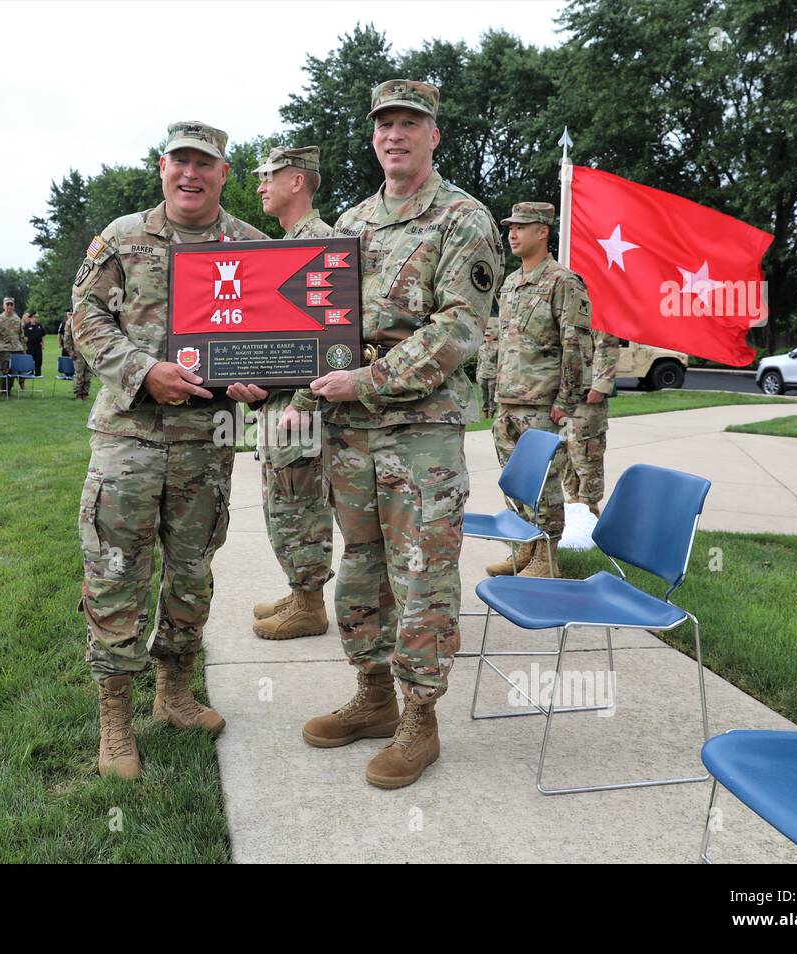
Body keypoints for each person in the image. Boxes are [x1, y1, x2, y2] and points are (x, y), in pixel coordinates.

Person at [300, 80, 502, 789]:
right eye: (384, 123)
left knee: (422, 578)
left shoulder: (463, 220)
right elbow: (314, 319)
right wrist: (274, 373)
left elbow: (457, 331)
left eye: (409, 123)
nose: (395, 134)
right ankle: (375, 698)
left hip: (420, 434)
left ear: (433, 135)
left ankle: (421, 718)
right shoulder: (350, 223)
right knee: (360, 568)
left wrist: (367, 380)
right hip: (351, 435)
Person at [72, 119, 266, 780]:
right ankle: (116, 721)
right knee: (117, 572)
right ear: (162, 167)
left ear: (223, 173)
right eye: (180, 162)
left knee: (191, 573)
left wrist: (259, 379)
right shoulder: (123, 238)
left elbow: (273, 340)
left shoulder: (252, 248)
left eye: (204, 164)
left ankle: (175, 694)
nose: (191, 174)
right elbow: (84, 318)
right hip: (128, 436)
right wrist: (141, 369)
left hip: (206, 443)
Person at [249, 145, 334, 640]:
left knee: (299, 505)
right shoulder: (283, 245)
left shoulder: (321, 244)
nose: (260, 185)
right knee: (280, 502)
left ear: (297, 182)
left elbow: (336, 338)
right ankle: (302, 591)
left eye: (269, 175)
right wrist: (254, 388)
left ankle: (310, 604)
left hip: (305, 411)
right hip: (280, 403)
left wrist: (303, 404)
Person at [486, 201, 590, 579]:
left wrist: (567, 400)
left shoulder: (563, 282)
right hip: (509, 401)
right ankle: (525, 547)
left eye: (521, 227)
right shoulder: (512, 282)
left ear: (543, 231)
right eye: (510, 227)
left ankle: (548, 556)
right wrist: (490, 388)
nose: (512, 234)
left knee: (544, 483)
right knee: (513, 482)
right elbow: (500, 340)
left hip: (544, 405)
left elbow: (576, 344)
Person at [562, 326, 619, 515]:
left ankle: (589, 509)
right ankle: (572, 503)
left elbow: (607, 346)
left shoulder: (594, 307)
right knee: (564, 454)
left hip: (587, 398)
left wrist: (601, 386)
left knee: (587, 454)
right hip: (562, 396)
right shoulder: (561, 304)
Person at [0, 297, 25, 395]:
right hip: (4, 349)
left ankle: (9, 389)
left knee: (14, 371)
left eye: (11, 304)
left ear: (14, 306)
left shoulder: (17, 319)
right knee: (4, 371)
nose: (9, 306)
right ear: (3, 306)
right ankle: (4, 391)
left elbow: (21, 335)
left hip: (17, 349)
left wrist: (24, 349)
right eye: (7, 304)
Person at [61, 310, 92, 399]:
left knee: (88, 374)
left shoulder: (89, 318)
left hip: (90, 351)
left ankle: (85, 393)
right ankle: (78, 394)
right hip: (78, 352)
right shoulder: (71, 321)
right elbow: (66, 338)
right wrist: (70, 352)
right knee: (79, 374)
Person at [476, 311, 499, 418]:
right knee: (483, 394)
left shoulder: (497, 348)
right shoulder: (481, 348)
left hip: (493, 375)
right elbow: (479, 362)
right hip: (482, 374)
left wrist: (499, 375)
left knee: (492, 395)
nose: (487, 337)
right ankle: (485, 411)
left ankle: (492, 411)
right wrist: (477, 374)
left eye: (489, 336)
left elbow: (499, 362)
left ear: (492, 337)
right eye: (486, 336)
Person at [22, 311, 47, 377]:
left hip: (38, 345)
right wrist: (25, 344)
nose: (36, 318)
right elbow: (23, 336)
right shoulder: (27, 326)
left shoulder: (39, 325)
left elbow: (43, 335)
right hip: (30, 345)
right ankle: (30, 372)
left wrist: (43, 344)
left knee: (39, 360)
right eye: (35, 317)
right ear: (31, 318)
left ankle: (38, 373)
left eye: (37, 317)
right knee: (30, 359)